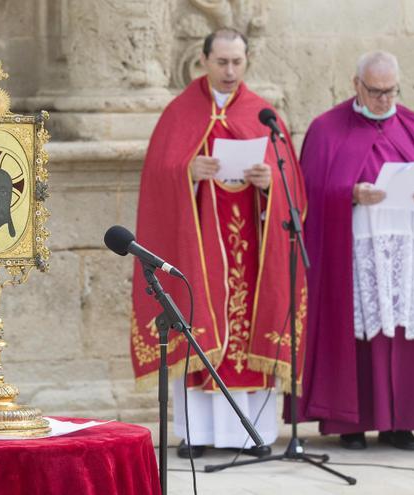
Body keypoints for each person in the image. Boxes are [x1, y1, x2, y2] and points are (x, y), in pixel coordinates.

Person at [130, 29, 306, 459]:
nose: (230, 71)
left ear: (247, 63)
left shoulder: (263, 114)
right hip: (199, 250)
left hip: (250, 250)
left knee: (247, 335)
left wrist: (269, 186)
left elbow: (292, 188)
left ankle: (252, 435)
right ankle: (197, 434)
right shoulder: (179, 113)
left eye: (237, 63)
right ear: (204, 62)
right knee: (198, 326)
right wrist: (187, 172)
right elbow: (157, 178)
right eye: (222, 62)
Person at [297, 51, 414, 450]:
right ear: (356, 85)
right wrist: (351, 194)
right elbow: (310, 195)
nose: (384, 101)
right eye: (375, 92)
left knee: (405, 332)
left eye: (390, 92)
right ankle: (351, 423)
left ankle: (401, 423)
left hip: (408, 254)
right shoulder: (326, 129)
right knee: (358, 332)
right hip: (354, 254)